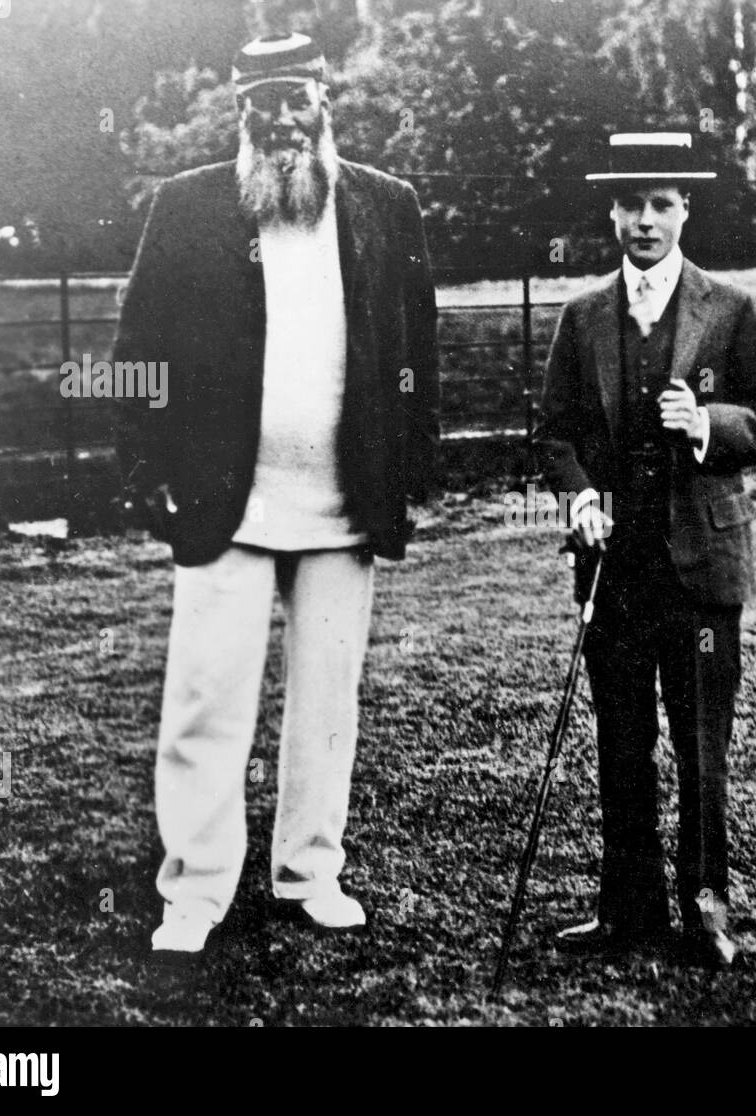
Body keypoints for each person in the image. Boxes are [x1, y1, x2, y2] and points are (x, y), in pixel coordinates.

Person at [113, 32, 438, 960]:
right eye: (264, 101)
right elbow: (138, 356)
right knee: (206, 700)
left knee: (329, 700)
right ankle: (197, 889)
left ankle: (310, 874)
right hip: (225, 505)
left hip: (345, 504)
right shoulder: (185, 209)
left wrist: (411, 473)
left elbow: (417, 352)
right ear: (239, 108)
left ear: (324, 98)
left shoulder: (386, 207)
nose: (282, 117)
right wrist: (146, 476)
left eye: (297, 97)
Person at [535, 133, 756, 969]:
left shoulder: (730, 308)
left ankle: (707, 910)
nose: (645, 221)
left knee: (701, 746)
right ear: (611, 212)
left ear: (686, 209)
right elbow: (555, 431)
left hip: (701, 573)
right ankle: (628, 910)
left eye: (661, 204)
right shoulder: (582, 316)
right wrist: (578, 495)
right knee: (620, 743)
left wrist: (707, 426)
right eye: (630, 205)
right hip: (615, 569)